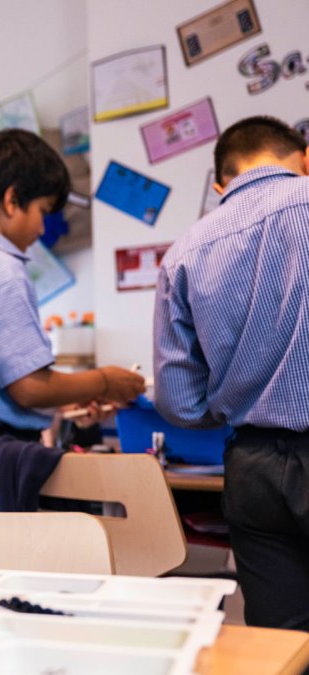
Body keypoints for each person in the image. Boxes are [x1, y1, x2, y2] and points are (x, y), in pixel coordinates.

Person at [0, 129, 145, 511]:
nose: (41, 229)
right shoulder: (0, 268)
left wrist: (72, 396)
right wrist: (106, 380)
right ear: (11, 200)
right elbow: (30, 388)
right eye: (42, 211)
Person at [153, 115, 309, 629]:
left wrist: (238, 397)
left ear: (222, 183)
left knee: (279, 642)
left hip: (251, 469)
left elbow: (180, 403)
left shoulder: (185, 252)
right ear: (304, 159)